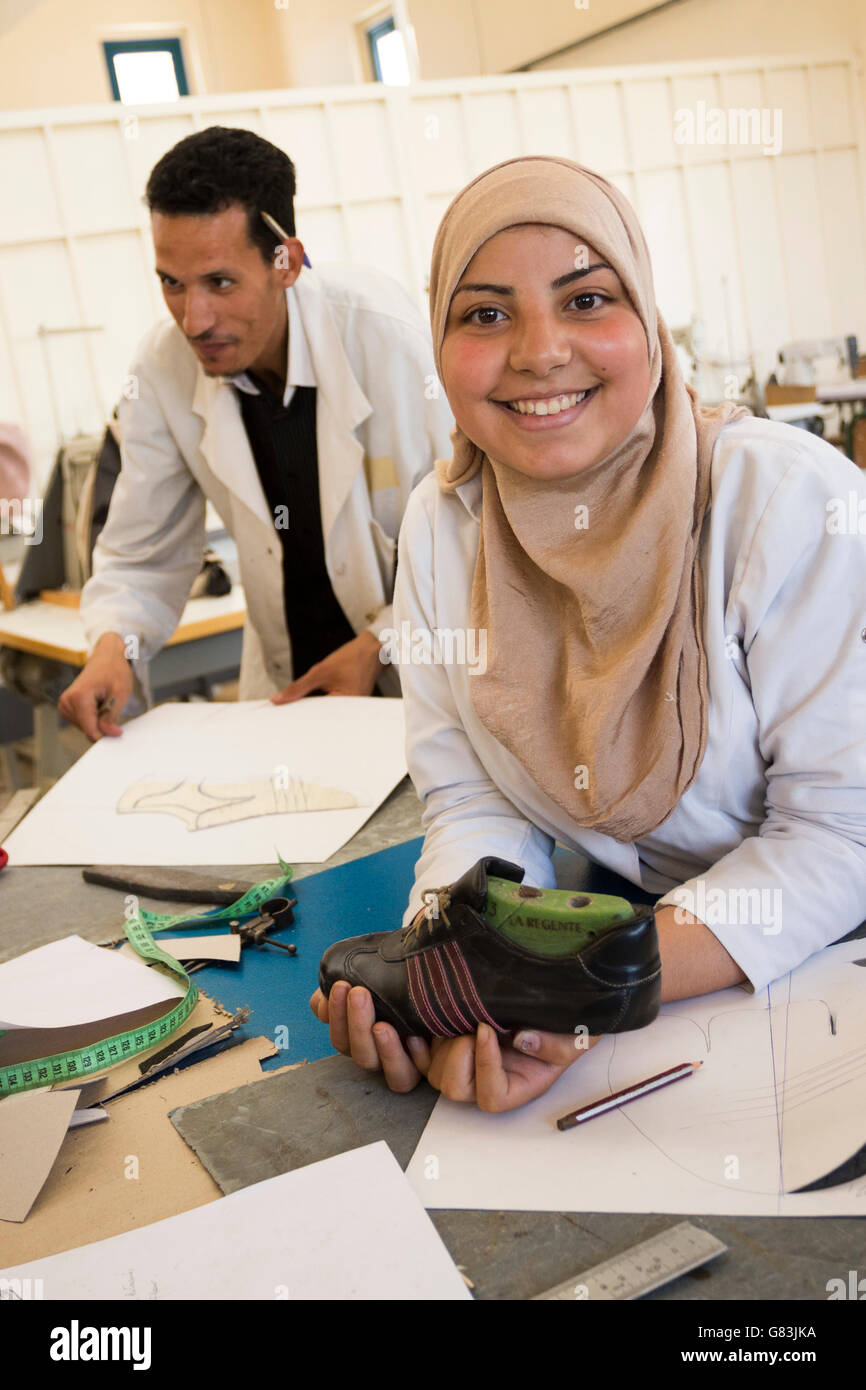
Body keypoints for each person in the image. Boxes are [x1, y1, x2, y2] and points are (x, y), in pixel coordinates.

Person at [310, 155, 866, 1112]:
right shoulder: (445, 531)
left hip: (823, 959)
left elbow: (841, 834)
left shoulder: (785, 502)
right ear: (439, 348)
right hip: (653, 954)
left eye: (586, 300)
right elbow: (476, 804)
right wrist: (462, 985)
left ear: (646, 324)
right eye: (485, 314)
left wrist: (581, 988)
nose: (538, 352)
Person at [59, 127, 453, 739]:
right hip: (289, 690)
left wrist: (383, 643)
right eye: (171, 282)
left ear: (285, 263)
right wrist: (114, 642)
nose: (194, 319)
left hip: (424, 679)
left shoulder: (386, 340)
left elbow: (474, 536)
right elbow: (143, 551)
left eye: (220, 282)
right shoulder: (162, 369)